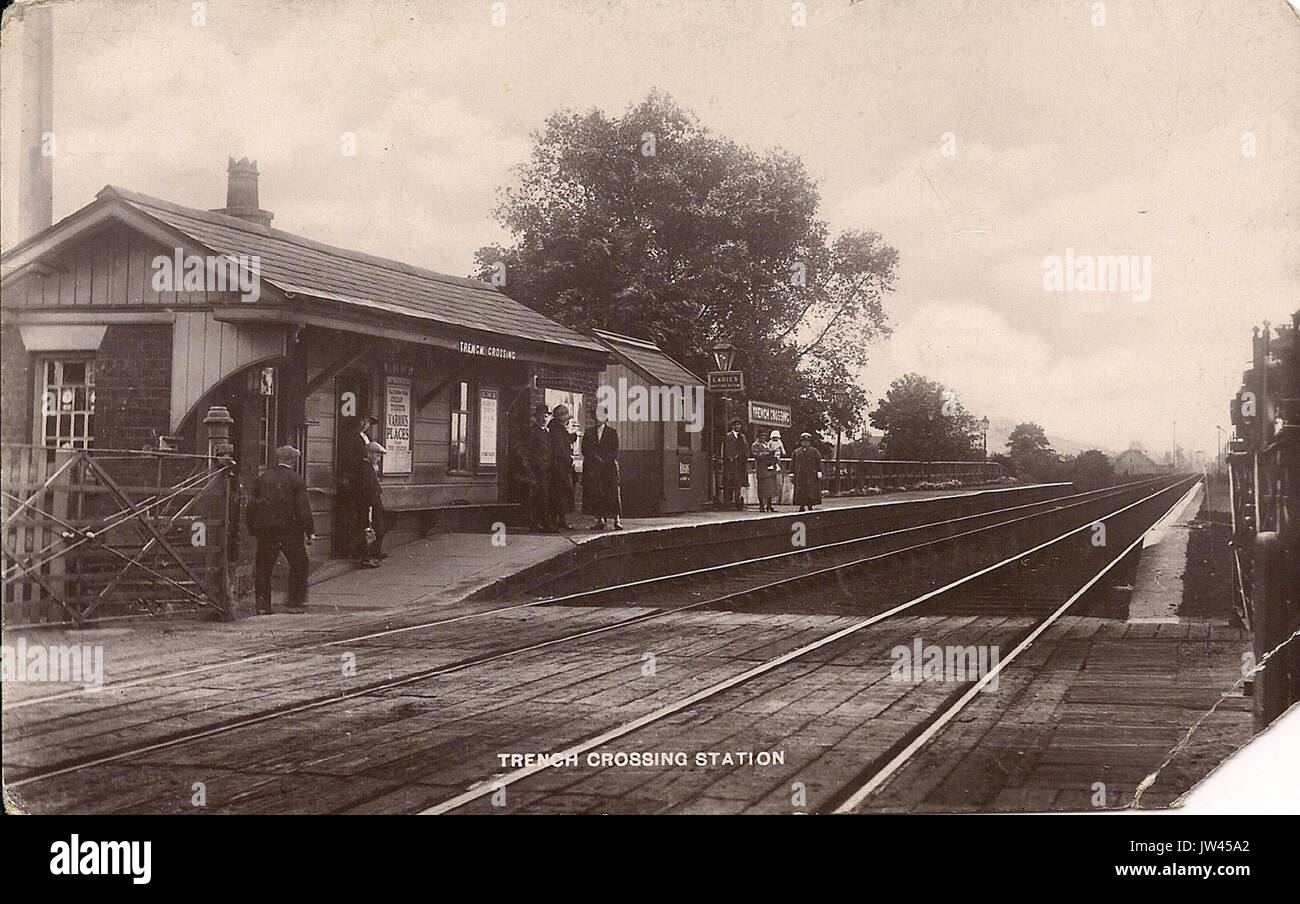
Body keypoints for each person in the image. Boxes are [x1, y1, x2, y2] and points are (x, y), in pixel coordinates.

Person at [247, 445, 315, 614]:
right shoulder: (295, 479)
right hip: (290, 531)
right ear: (293, 461)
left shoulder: (263, 478)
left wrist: (253, 529)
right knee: (300, 563)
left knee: (264, 567)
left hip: (266, 531)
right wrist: (309, 530)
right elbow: (302, 507)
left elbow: (251, 506)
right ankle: (295, 602)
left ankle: (262, 606)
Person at [581, 411, 623, 530]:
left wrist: (604, 460)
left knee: (612, 493)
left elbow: (614, 450)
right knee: (597, 493)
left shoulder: (611, 432)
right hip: (594, 468)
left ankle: (617, 520)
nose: (599, 419)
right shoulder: (589, 432)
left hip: (608, 468)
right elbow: (584, 449)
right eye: (597, 417)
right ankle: (600, 520)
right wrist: (594, 458)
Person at [522, 404, 554, 531]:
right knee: (539, 496)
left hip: (547, 469)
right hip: (537, 470)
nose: (544, 419)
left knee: (544, 497)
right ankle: (540, 524)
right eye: (541, 417)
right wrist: (534, 465)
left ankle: (541, 523)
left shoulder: (547, 432)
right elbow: (528, 451)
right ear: (536, 418)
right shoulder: (532, 431)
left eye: (546, 417)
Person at [359, 441, 388, 568]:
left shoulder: (369, 467)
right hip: (368, 503)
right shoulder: (365, 467)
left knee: (375, 529)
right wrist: (370, 504)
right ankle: (366, 557)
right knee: (368, 530)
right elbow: (367, 488)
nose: (379, 458)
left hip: (372, 502)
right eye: (377, 455)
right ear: (369, 454)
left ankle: (372, 554)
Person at [547, 404, 576, 530]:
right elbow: (560, 449)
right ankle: (557, 521)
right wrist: (569, 459)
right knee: (559, 495)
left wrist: (571, 437)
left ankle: (560, 520)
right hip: (559, 468)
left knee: (561, 495)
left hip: (561, 468)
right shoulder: (557, 430)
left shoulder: (556, 429)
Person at [721, 418, 749, 510]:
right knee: (730, 481)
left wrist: (745, 456)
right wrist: (730, 457)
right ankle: (728, 500)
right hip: (731, 463)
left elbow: (746, 449)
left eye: (738, 425)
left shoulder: (743, 436)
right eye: (735, 425)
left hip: (740, 463)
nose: (737, 426)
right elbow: (725, 449)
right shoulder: (728, 436)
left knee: (739, 482)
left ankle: (737, 500)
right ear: (732, 426)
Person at [791, 432, 824, 512]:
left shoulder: (814, 451)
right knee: (800, 490)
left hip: (811, 474)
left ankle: (810, 505)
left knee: (810, 490)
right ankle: (801, 505)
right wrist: (792, 473)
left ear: (809, 442)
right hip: (800, 474)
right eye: (803, 441)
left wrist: (819, 471)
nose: (805, 442)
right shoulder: (796, 452)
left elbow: (818, 462)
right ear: (800, 442)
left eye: (807, 441)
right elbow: (793, 463)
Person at [752, 431, 781, 513]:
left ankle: (769, 505)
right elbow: (756, 455)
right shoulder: (755, 445)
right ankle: (761, 505)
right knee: (762, 488)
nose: (763, 438)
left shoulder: (768, 444)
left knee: (771, 488)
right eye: (761, 436)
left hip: (770, 468)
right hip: (762, 469)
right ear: (758, 437)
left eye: (764, 436)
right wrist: (767, 454)